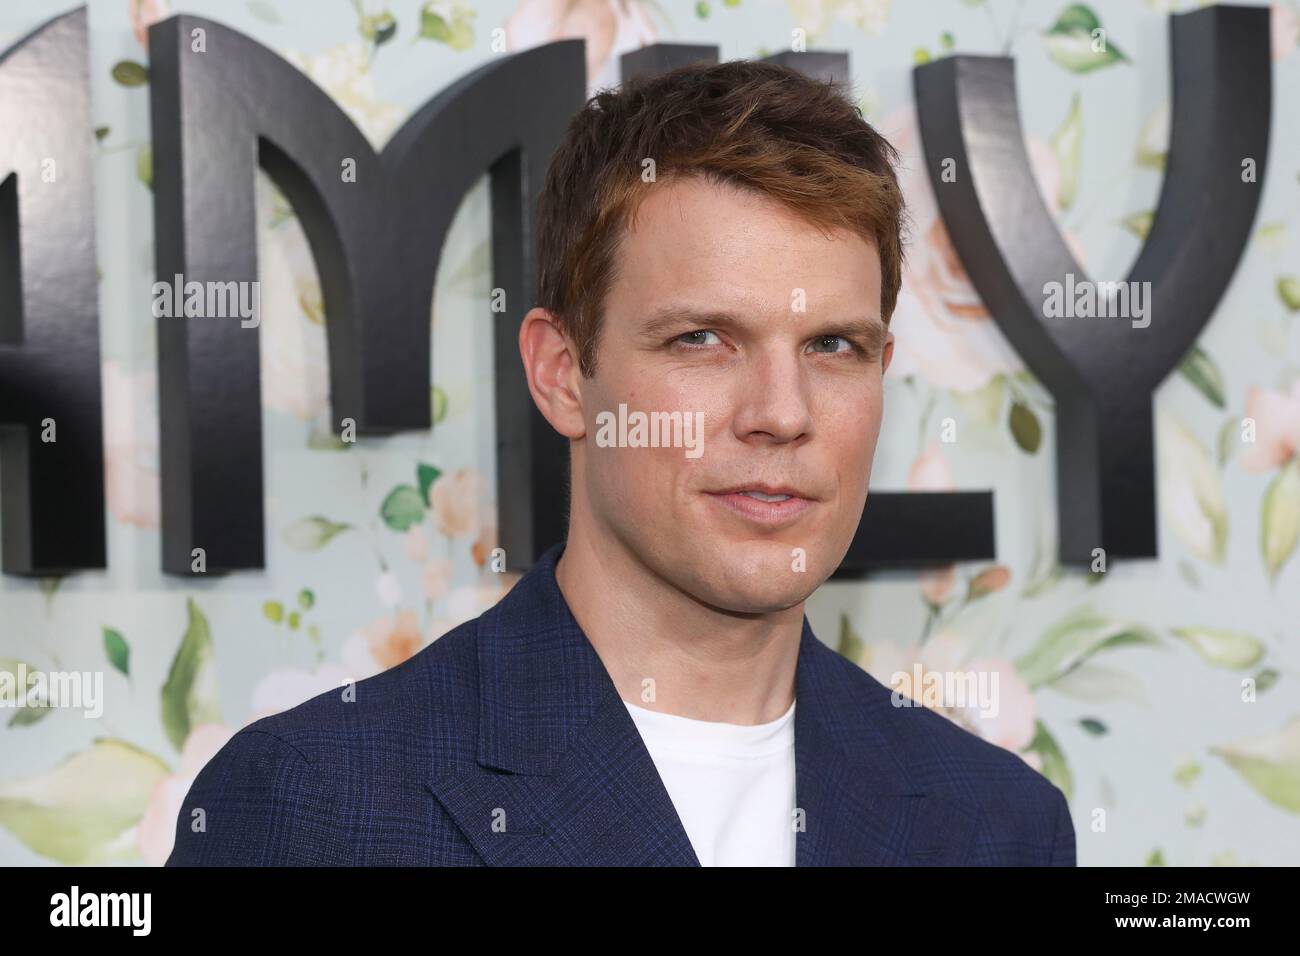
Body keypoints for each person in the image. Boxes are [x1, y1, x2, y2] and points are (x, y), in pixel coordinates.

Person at [168, 58, 1075, 867]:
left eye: (832, 345)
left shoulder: (998, 825)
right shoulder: (316, 806)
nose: (781, 415)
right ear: (564, 376)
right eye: (703, 339)